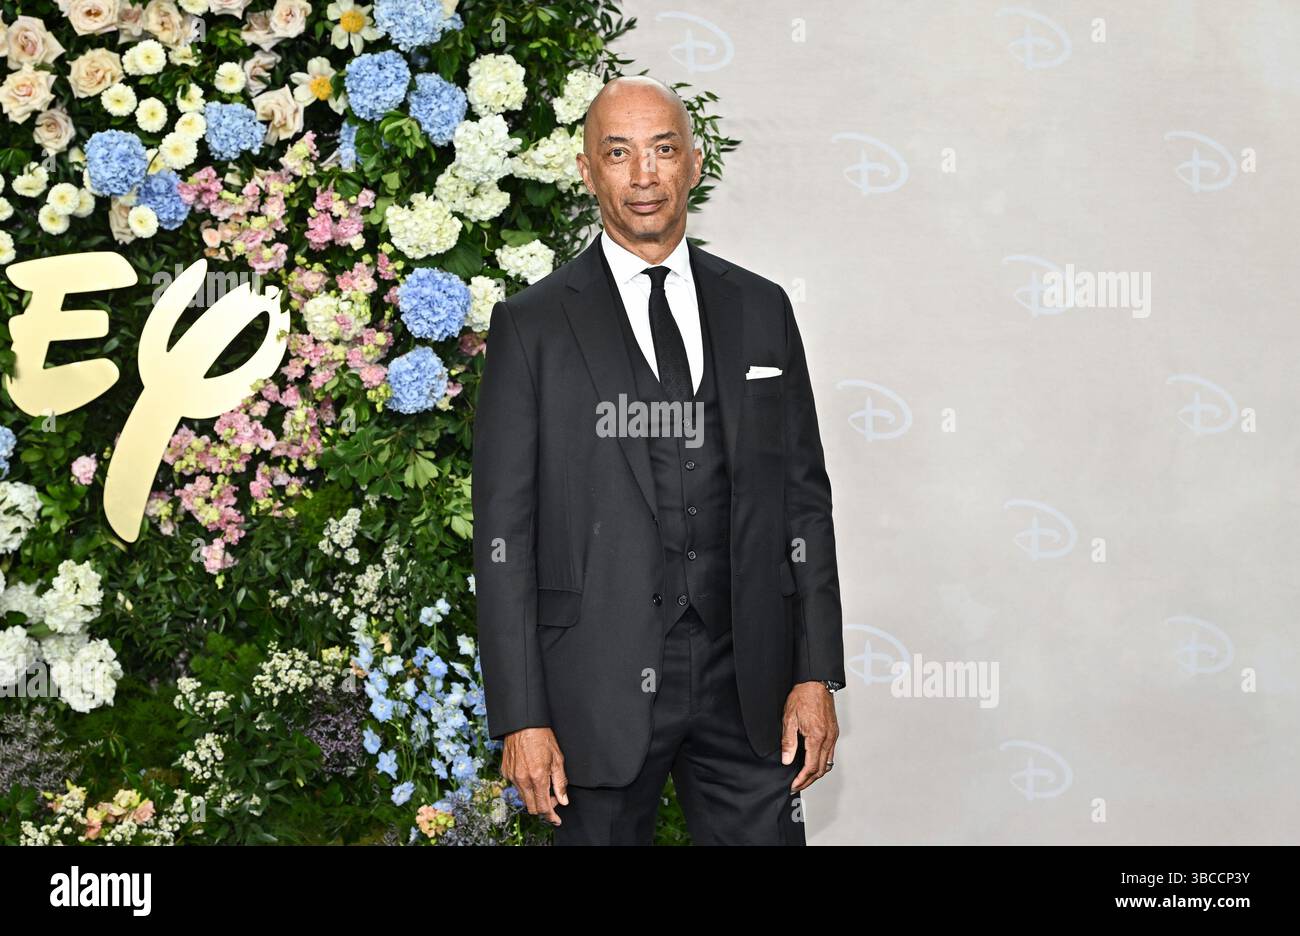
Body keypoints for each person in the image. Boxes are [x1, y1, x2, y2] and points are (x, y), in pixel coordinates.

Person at [472, 75, 845, 845]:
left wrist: (814, 671)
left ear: (694, 164)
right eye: (618, 153)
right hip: (591, 690)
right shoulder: (532, 326)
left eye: (662, 150)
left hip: (749, 681)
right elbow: (503, 532)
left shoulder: (762, 308)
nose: (643, 175)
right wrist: (523, 716)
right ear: (586, 171)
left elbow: (804, 500)